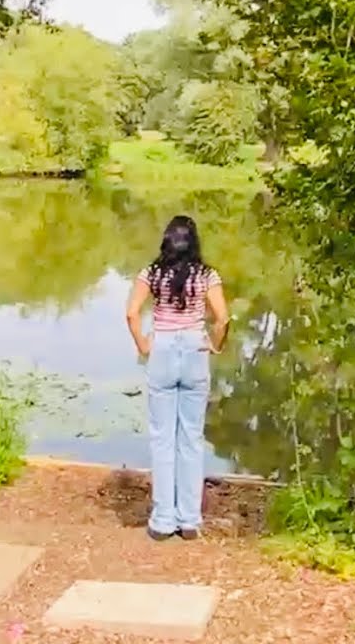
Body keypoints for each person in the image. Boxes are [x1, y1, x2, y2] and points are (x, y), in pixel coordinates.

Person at [125, 215, 230, 541]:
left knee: (162, 439)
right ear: (194, 242)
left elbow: (131, 312)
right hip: (195, 350)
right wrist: (215, 345)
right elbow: (222, 318)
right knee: (191, 438)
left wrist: (143, 344)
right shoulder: (207, 275)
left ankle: (162, 521)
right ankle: (189, 520)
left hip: (164, 350)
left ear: (167, 241)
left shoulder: (152, 273)